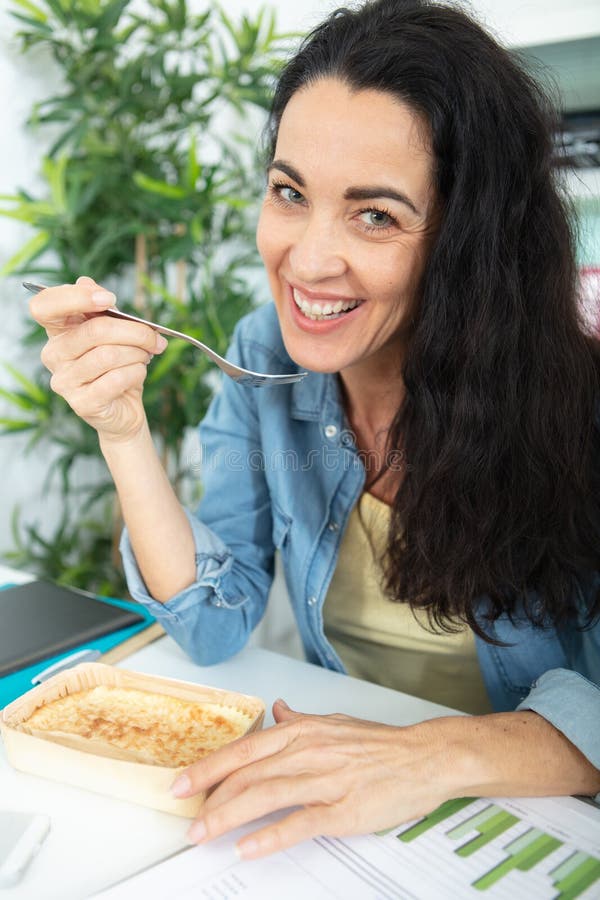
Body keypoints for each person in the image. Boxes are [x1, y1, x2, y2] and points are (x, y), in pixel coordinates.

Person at [31, 0, 600, 862]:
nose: (306, 259)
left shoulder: (576, 402)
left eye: (374, 215)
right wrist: (121, 431)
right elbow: (214, 625)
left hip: (522, 818)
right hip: (350, 806)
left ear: (466, 240)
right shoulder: (264, 358)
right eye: (290, 192)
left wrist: (424, 758)